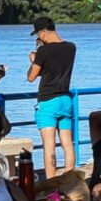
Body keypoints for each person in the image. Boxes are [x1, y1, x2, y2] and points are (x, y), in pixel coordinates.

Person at [24, 18, 78, 175]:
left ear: (42, 33)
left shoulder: (42, 52)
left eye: (38, 35)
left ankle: (51, 187)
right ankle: (71, 182)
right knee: (68, 144)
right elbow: (54, 67)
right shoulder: (71, 47)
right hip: (66, 100)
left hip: (48, 101)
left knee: (49, 146)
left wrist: (33, 60)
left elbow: (31, 77)